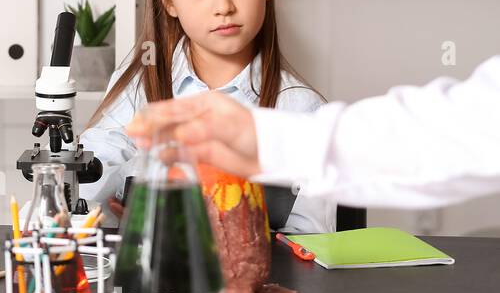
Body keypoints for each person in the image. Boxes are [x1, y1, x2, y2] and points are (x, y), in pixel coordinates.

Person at [79, 0, 332, 232]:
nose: (223, 5)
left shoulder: (300, 109)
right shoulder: (141, 81)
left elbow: (310, 242)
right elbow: (90, 187)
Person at [126, 55, 500, 209]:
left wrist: (267, 141)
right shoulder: (134, 84)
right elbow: (470, 123)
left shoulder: (297, 99)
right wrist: (266, 141)